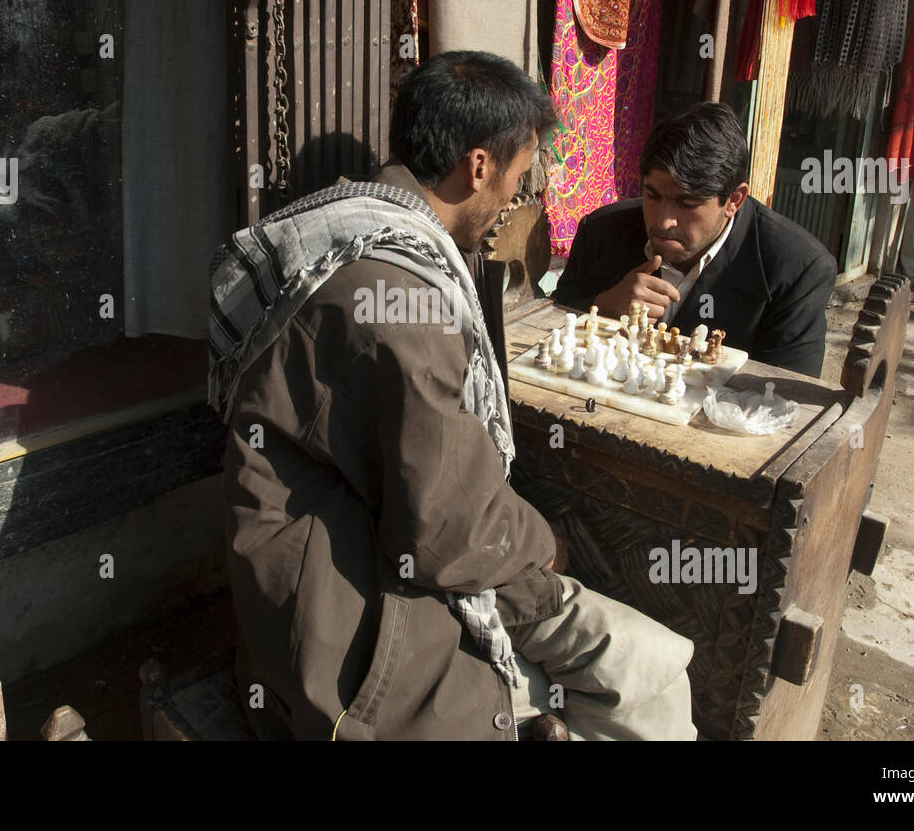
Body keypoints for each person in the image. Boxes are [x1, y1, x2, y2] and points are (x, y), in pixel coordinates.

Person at [208, 50, 696, 741]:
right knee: (650, 674)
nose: (513, 207)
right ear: (477, 167)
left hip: (322, 574)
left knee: (625, 653)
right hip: (348, 644)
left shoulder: (343, 230)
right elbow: (447, 532)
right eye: (519, 182)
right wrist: (543, 542)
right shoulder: (400, 301)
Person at [554, 102, 837, 378]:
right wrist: (602, 307)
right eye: (653, 196)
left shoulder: (797, 269)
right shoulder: (602, 231)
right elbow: (549, 323)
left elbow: (787, 397)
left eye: (687, 203)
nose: (664, 221)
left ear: (733, 200)